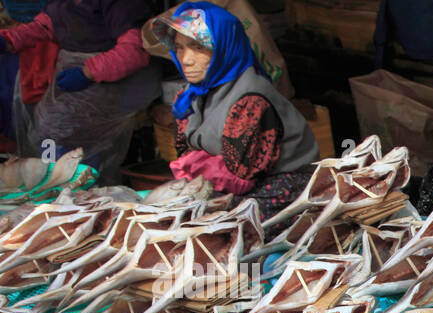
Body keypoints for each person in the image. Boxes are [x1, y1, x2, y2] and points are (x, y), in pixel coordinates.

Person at [153, 1, 318, 217]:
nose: (186, 60)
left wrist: (198, 166)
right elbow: (185, 153)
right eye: (180, 47)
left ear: (224, 48)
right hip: (225, 183)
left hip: (282, 186)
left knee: (217, 221)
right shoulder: (190, 96)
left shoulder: (251, 100)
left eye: (198, 47)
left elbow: (242, 177)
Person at [0, 0, 159, 184]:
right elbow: (47, 24)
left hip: (115, 80)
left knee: (60, 129)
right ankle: (50, 182)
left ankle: (81, 187)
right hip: (76, 72)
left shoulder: (122, 5)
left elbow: (134, 51)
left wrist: (88, 72)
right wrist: (11, 40)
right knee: (48, 129)